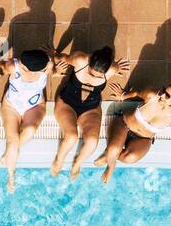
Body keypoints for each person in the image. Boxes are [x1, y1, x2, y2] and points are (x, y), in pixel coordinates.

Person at [50, 46, 131, 180]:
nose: (93, 76)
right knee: (71, 137)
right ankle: (59, 159)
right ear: (90, 61)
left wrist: (116, 69)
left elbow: (114, 68)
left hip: (90, 109)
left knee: (93, 141)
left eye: (98, 75)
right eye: (92, 73)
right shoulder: (80, 59)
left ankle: (77, 163)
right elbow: (62, 58)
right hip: (67, 103)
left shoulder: (111, 69)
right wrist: (55, 56)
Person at [95, 82, 171, 184]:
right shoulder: (152, 95)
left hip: (143, 139)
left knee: (129, 159)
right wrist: (123, 95)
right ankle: (110, 167)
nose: (162, 95)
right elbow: (137, 93)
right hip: (125, 124)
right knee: (114, 149)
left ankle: (111, 156)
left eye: (168, 95)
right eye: (164, 90)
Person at [0, 48, 54, 192]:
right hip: (11, 106)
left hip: (34, 106)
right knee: (12, 142)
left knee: (29, 131)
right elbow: (0, 68)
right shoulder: (13, 66)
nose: (19, 63)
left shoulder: (47, 67)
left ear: (34, 70)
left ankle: (9, 153)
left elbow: (51, 70)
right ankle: (11, 175)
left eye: (22, 65)